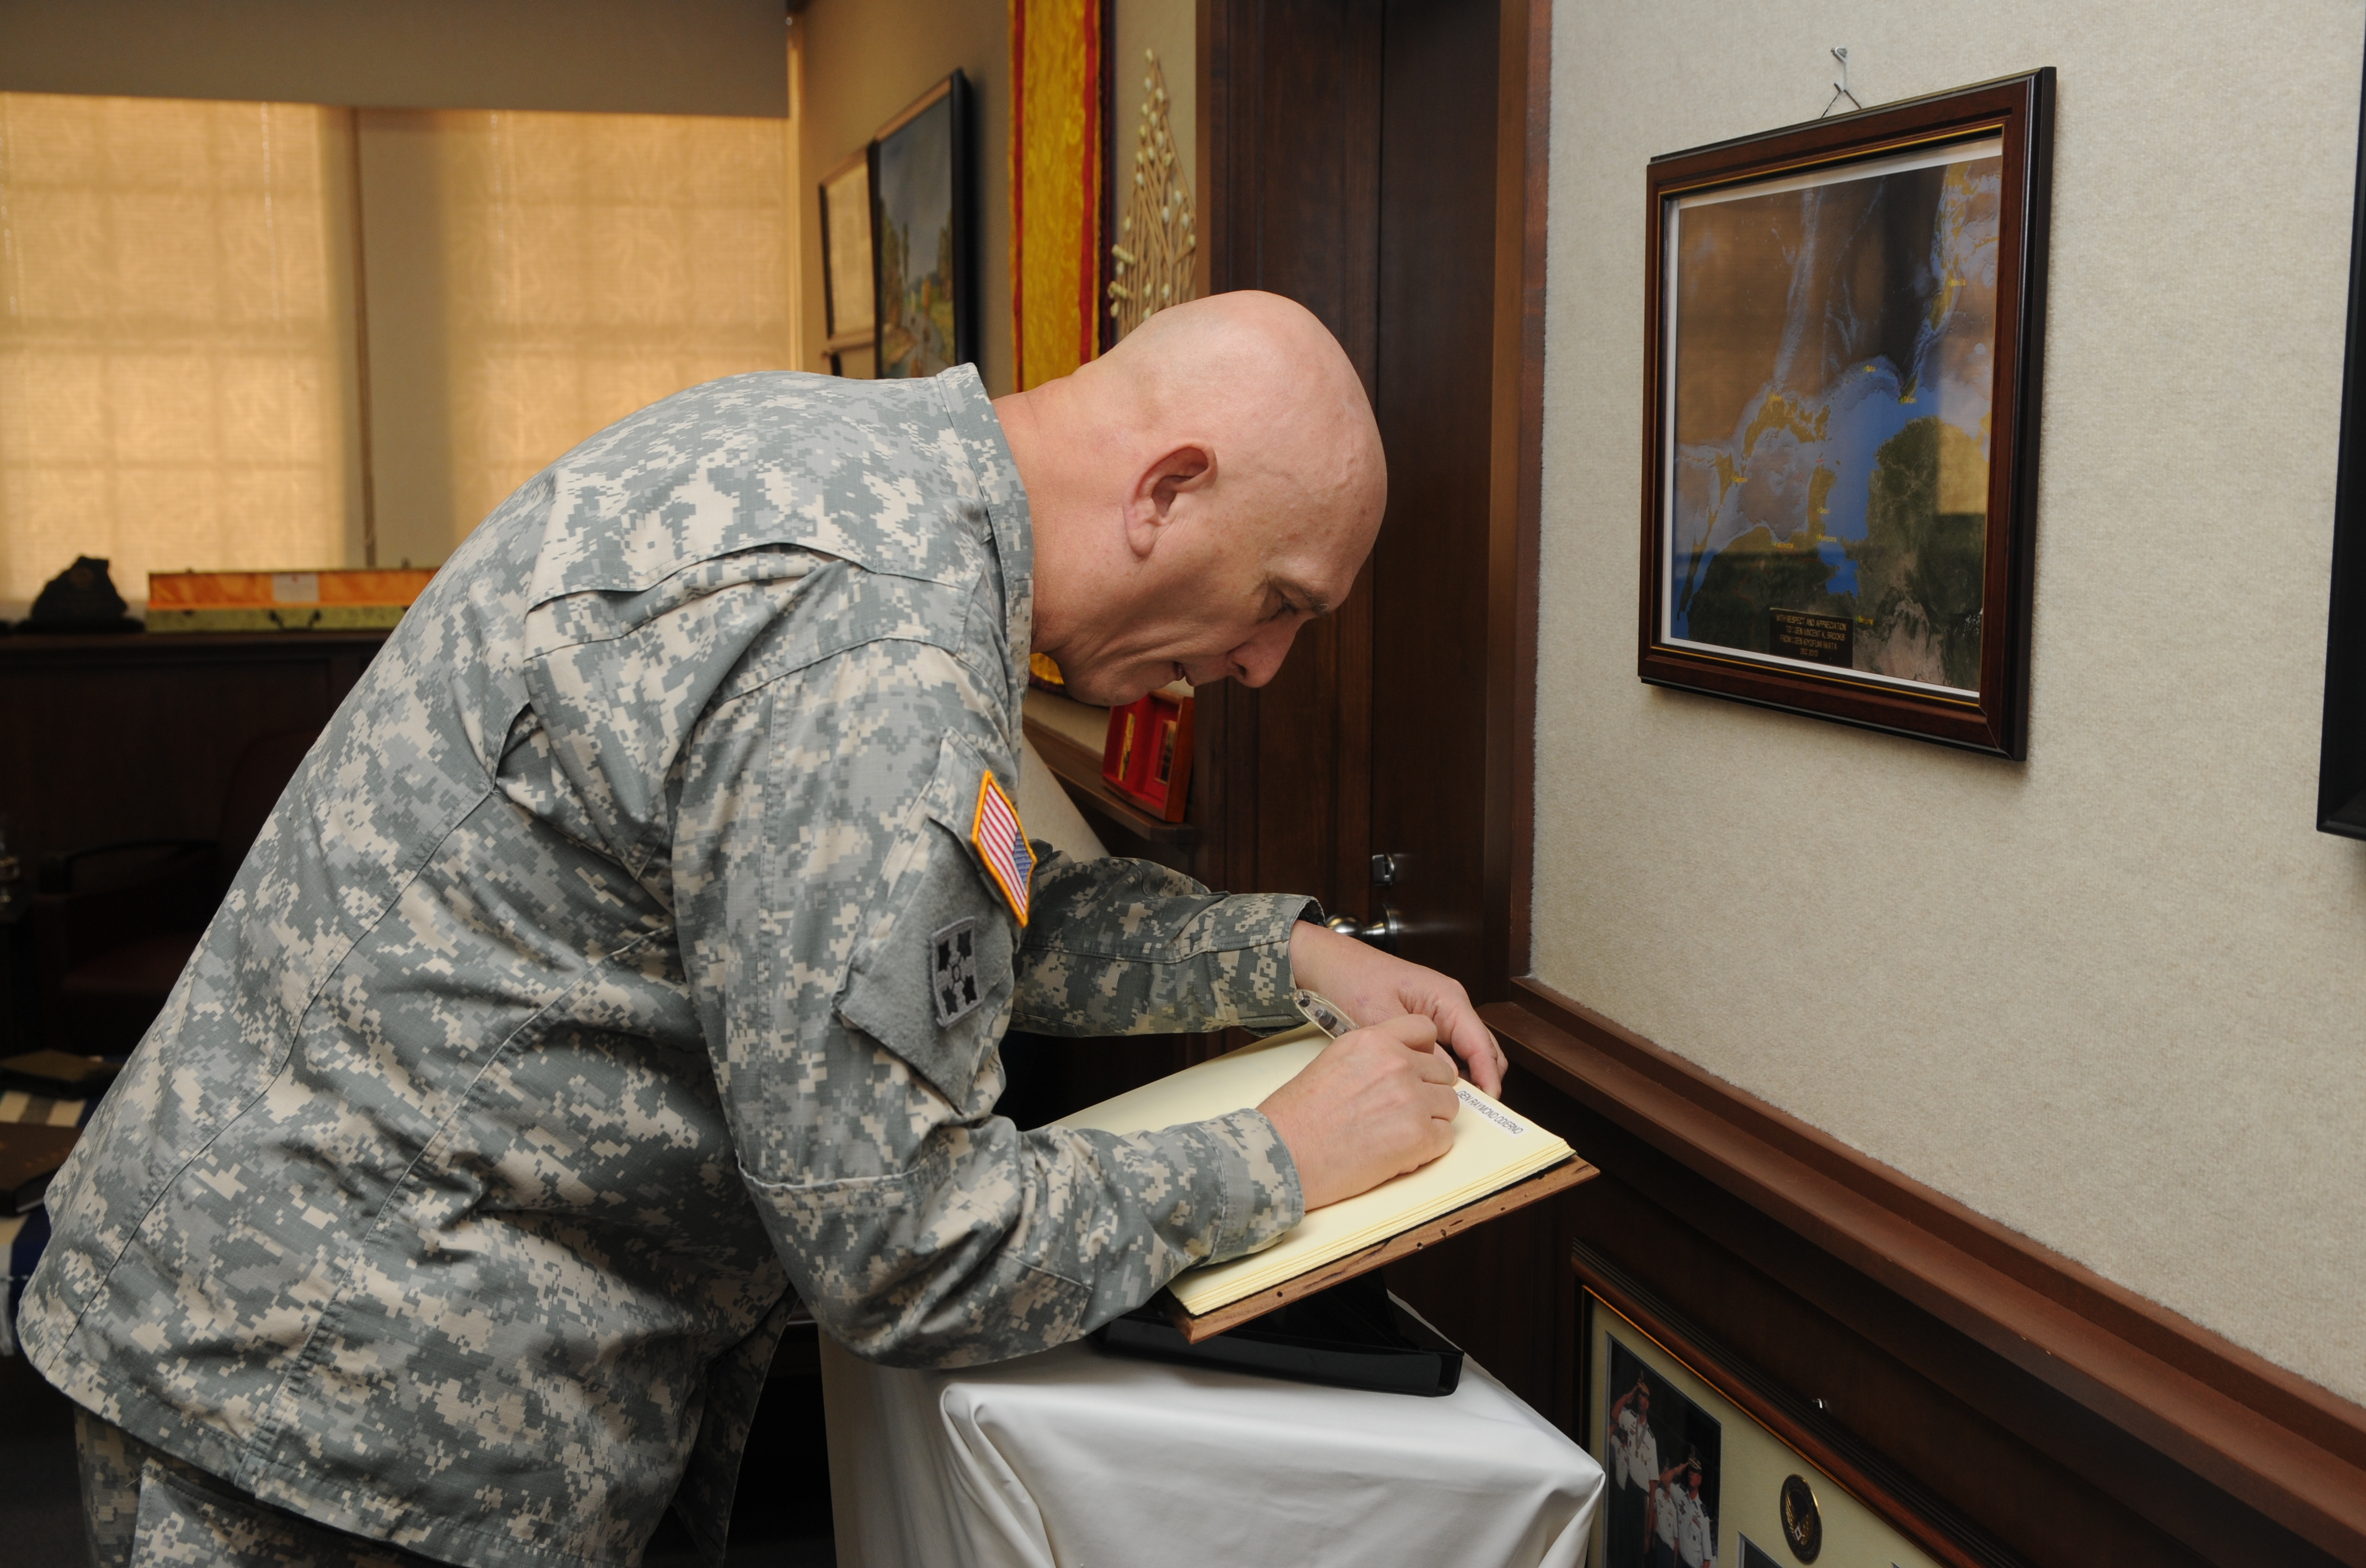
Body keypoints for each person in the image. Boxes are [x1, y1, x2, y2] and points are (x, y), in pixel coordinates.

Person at [22, 291, 1508, 1568]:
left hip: (288, 1314)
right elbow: (908, 1247)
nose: (1260, 664)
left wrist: (1287, 955)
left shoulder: (855, 468)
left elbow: (942, 917)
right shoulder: (875, 648)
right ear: (1166, 489)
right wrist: (1283, 1159)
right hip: (346, 1410)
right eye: (1278, 602)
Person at [1607, 1375, 1658, 1566]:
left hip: (1640, 1497)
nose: (1640, 1399)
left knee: (1638, 1550)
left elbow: (1653, 1485)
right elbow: (1614, 1414)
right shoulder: (1629, 1418)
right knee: (1626, 1543)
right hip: (1628, 1487)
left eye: (1644, 1396)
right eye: (1640, 1394)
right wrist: (1629, 1395)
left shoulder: (1651, 1440)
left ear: (1649, 1403)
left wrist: (1648, 1532)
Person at [1674, 1454, 1717, 1568]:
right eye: (1690, 1470)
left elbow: (1707, 1560)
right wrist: (1679, 1469)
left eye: (1695, 1471)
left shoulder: (1703, 1517)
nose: (1691, 1473)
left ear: (1700, 1480)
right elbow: (1665, 1481)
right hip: (1680, 1562)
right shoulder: (1681, 1496)